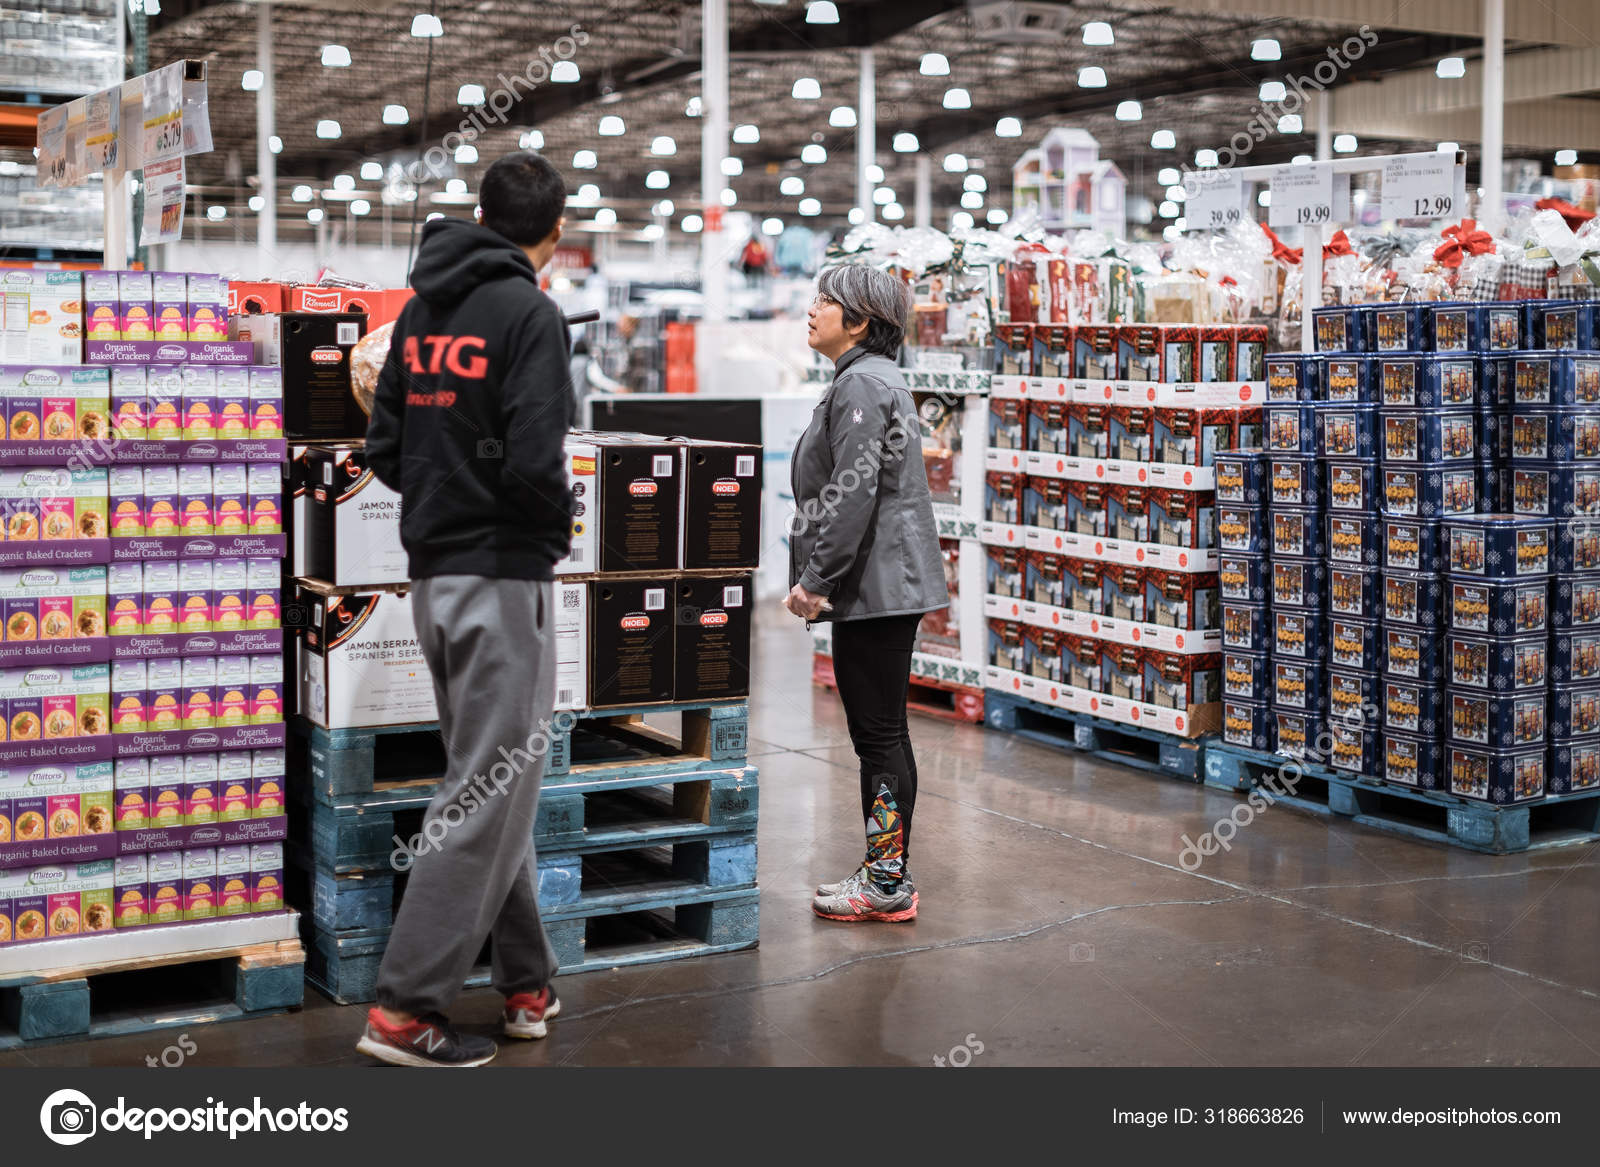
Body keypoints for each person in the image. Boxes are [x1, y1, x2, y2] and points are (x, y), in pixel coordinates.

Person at [357, 151, 575, 1067]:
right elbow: (534, 458)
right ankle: (405, 1011)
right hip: (500, 580)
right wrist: (548, 526)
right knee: (486, 790)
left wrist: (442, 508)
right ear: (553, 236)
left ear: (483, 216)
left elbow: (384, 446)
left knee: (494, 776)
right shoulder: (531, 313)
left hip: (435, 581)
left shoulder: (419, 311)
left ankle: (523, 980)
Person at [786, 264, 948, 923]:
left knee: (878, 733)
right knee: (883, 731)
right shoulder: (869, 380)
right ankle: (886, 872)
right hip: (884, 583)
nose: (814, 308)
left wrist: (813, 580)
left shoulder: (863, 383)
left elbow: (852, 493)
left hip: (877, 584)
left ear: (860, 321)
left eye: (828, 300)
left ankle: (886, 881)